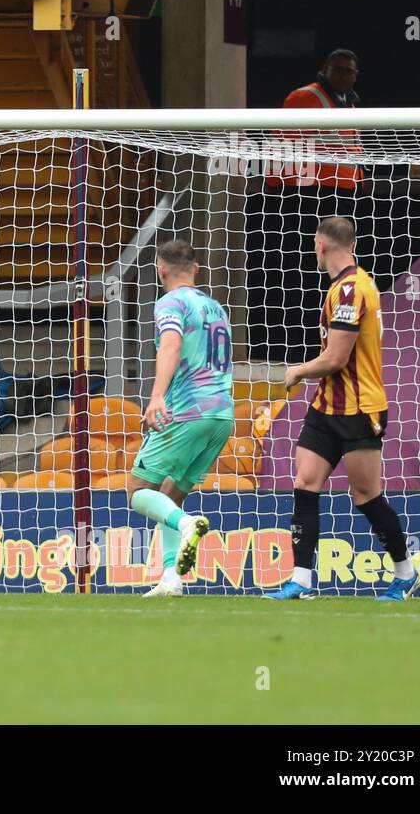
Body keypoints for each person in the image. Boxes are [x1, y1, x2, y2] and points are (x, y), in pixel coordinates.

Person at [266, 217, 417, 602]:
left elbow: (335, 358)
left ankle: (405, 571)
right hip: (326, 406)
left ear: (321, 245)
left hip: (360, 408)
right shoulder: (343, 287)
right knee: (305, 482)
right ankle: (300, 579)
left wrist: (298, 370)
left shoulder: (352, 289)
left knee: (366, 494)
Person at [124, 240, 230, 597]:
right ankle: (171, 577)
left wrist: (156, 398)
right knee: (171, 495)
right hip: (222, 415)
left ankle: (187, 526)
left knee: (139, 491)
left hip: (187, 410)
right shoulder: (215, 308)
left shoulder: (170, 302)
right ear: (196, 268)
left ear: (161, 269)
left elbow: (170, 344)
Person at [248, 48, 365, 365]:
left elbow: (351, 144)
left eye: (349, 71)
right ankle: (304, 348)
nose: (343, 76)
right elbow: (280, 143)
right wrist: (274, 187)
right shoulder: (302, 98)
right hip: (310, 196)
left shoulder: (350, 102)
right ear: (325, 69)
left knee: (340, 272)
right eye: (338, 69)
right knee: (308, 272)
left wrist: (359, 181)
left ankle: (337, 344)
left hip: (343, 194)